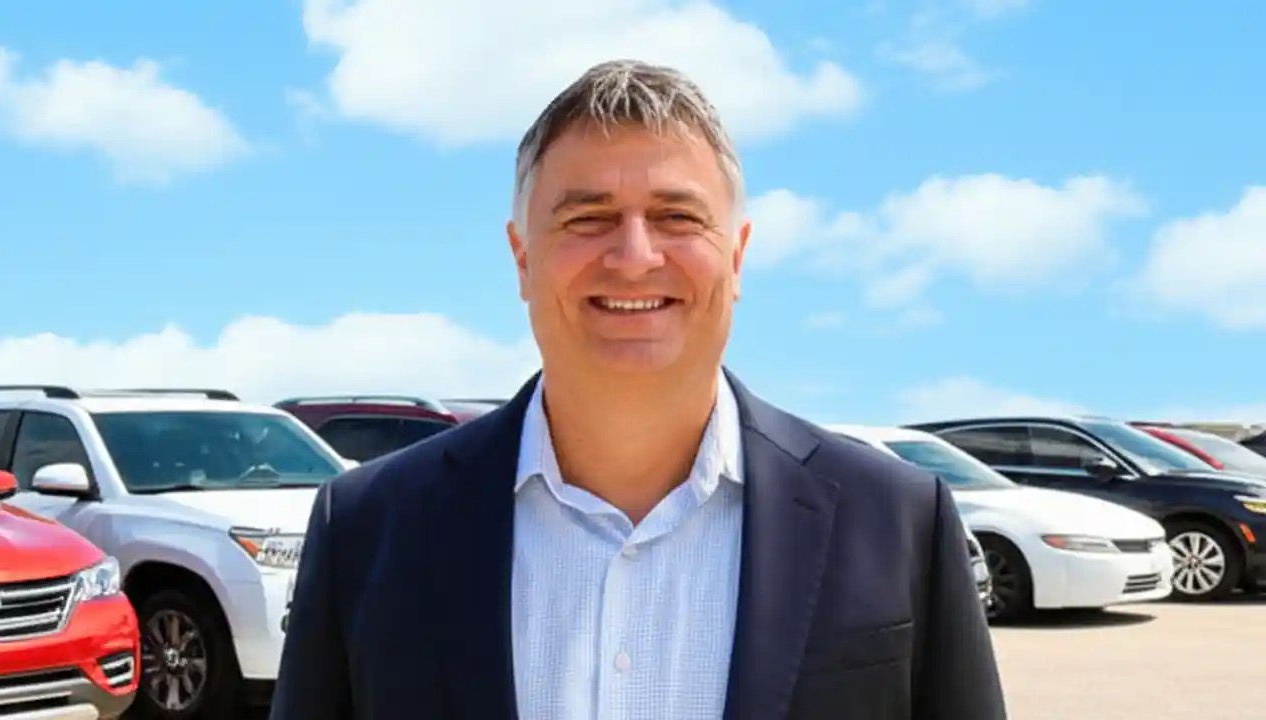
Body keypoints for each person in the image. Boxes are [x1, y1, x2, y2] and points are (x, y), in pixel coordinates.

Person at [270, 59, 1007, 720]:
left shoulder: (897, 524)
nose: (633, 255)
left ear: (737, 256)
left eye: (676, 217)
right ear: (522, 259)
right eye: (587, 219)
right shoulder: (368, 530)